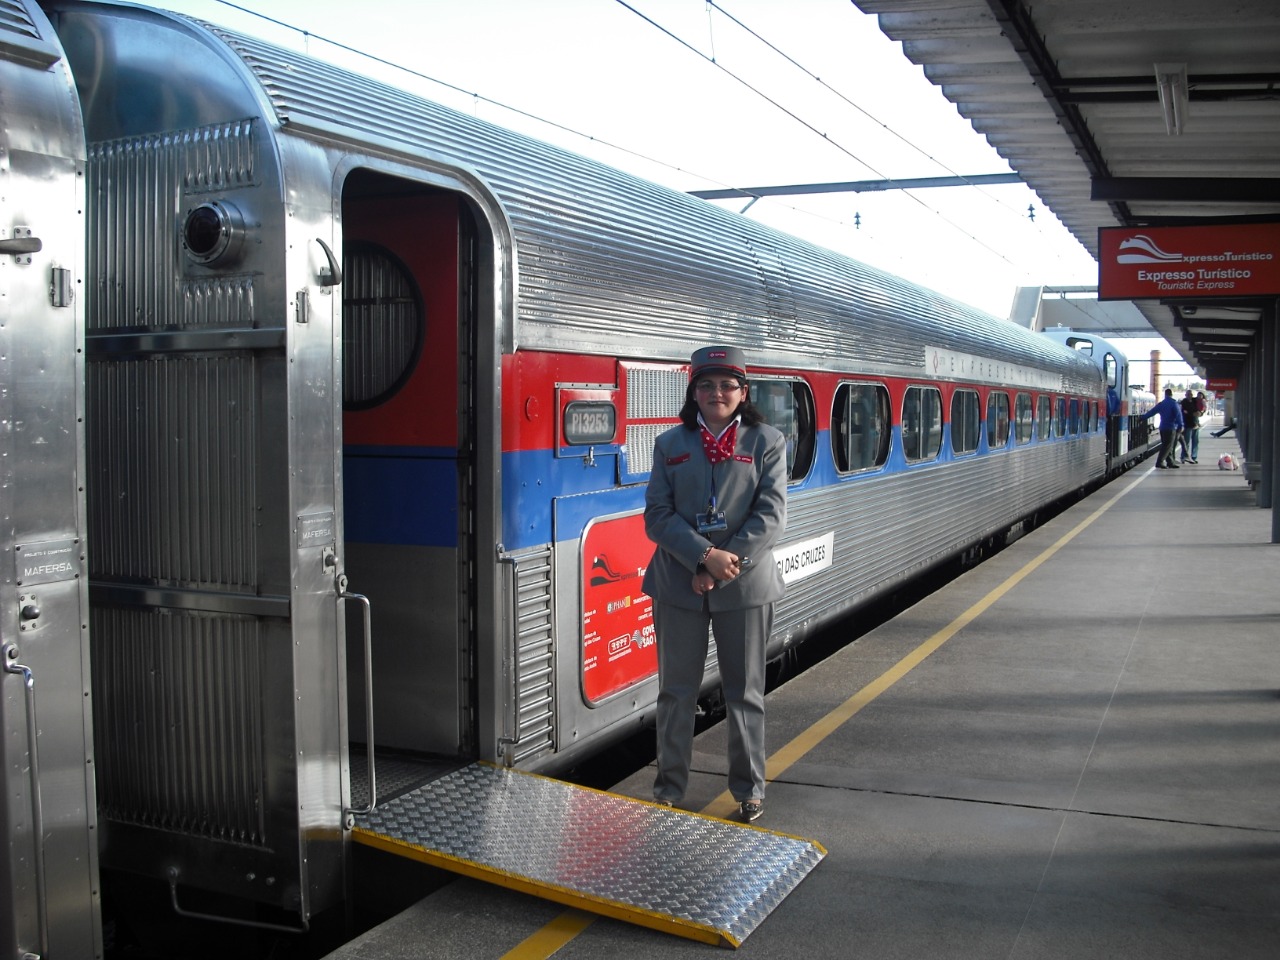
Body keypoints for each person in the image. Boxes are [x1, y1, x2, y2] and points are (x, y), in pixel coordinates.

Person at [642, 345, 787, 822]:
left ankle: (749, 790)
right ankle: (668, 788)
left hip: (743, 587)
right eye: (706, 385)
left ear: (743, 393)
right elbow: (657, 517)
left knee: (744, 692)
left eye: (727, 385)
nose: (716, 393)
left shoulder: (767, 442)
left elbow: (770, 517)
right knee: (675, 692)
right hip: (678, 584)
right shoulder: (670, 445)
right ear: (694, 391)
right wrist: (703, 556)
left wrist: (724, 563)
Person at [1140, 388, 1184, 468]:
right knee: (1167, 446)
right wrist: (1181, 425)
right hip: (1170, 427)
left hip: (1162, 427)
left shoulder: (1162, 404)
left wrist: (1143, 418)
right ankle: (1159, 462)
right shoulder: (1174, 404)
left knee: (1167, 445)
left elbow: (1152, 412)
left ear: (1165, 394)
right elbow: (1178, 415)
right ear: (1171, 394)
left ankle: (1170, 462)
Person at [1178, 389, 1201, 463]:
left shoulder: (1194, 401)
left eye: (1190, 394)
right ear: (1185, 395)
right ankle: (1184, 456)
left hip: (1196, 424)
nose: (1189, 396)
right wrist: (1193, 413)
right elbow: (1185, 412)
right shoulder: (1184, 402)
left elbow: (1198, 410)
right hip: (1188, 425)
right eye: (1188, 394)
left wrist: (1197, 412)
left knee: (1195, 442)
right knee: (1186, 442)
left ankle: (1194, 457)